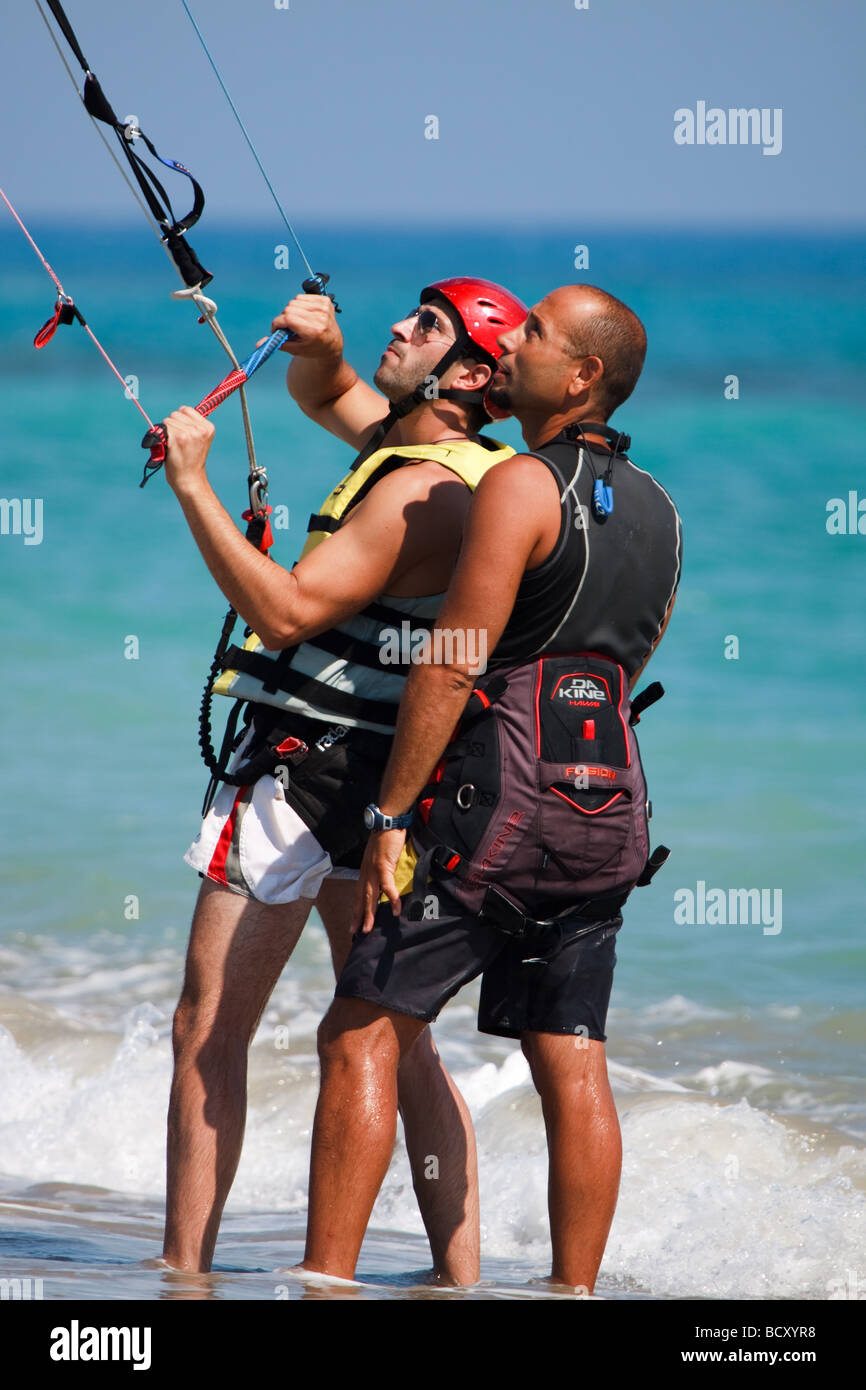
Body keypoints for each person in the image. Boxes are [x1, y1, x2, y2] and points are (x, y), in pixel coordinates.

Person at [298, 283, 683, 1293]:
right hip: (610, 817)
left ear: (583, 374)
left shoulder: (519, 484)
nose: (513, 341)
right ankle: (570, 1292)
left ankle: (323, 1283)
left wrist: (386, 814)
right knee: (571, 1054)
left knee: (362, 1027)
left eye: (538, 334)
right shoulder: (663, 515)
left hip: (494, 809)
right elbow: (627, 658)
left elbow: (453, 658)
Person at [158, 277, 528, 1277]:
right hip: (381, 791)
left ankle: (181, 1278)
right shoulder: (462, 466)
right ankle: (460, 1276)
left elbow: (283, 614)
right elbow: (331, 398)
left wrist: (192, 480)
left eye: (426, 325)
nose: (398, 328)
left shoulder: (412, 490)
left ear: (465, 375)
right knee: (397, 1042)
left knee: (208, 1027)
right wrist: (318, 348)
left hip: (300, 775)